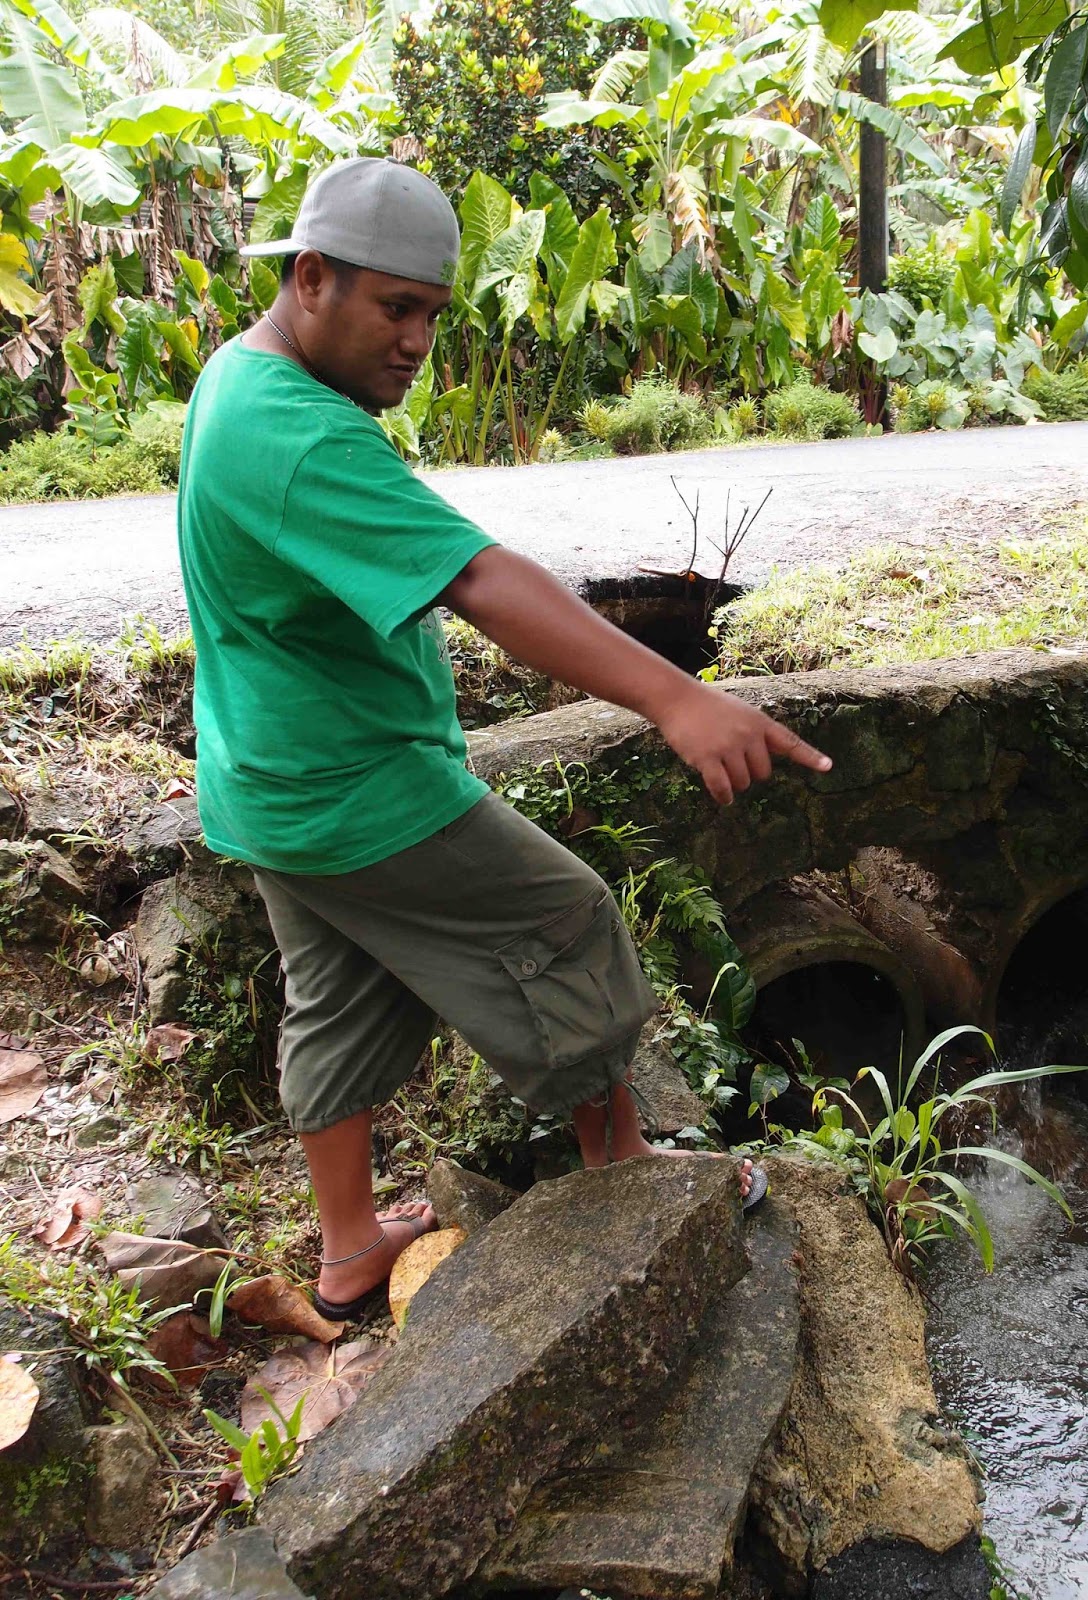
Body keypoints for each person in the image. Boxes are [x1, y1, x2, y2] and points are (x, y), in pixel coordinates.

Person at [177, 157, 832, 1320]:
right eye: (396, 307)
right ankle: (621, 1168)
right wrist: (676, 698)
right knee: (565, 920)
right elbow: (477, 577)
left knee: (335, 993)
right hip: (356, 785)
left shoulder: (238, 376)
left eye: (432, 313)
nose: (417, 342)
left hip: (266, 780)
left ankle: (349, 1252)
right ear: (311, 277)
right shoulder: (297, 433)